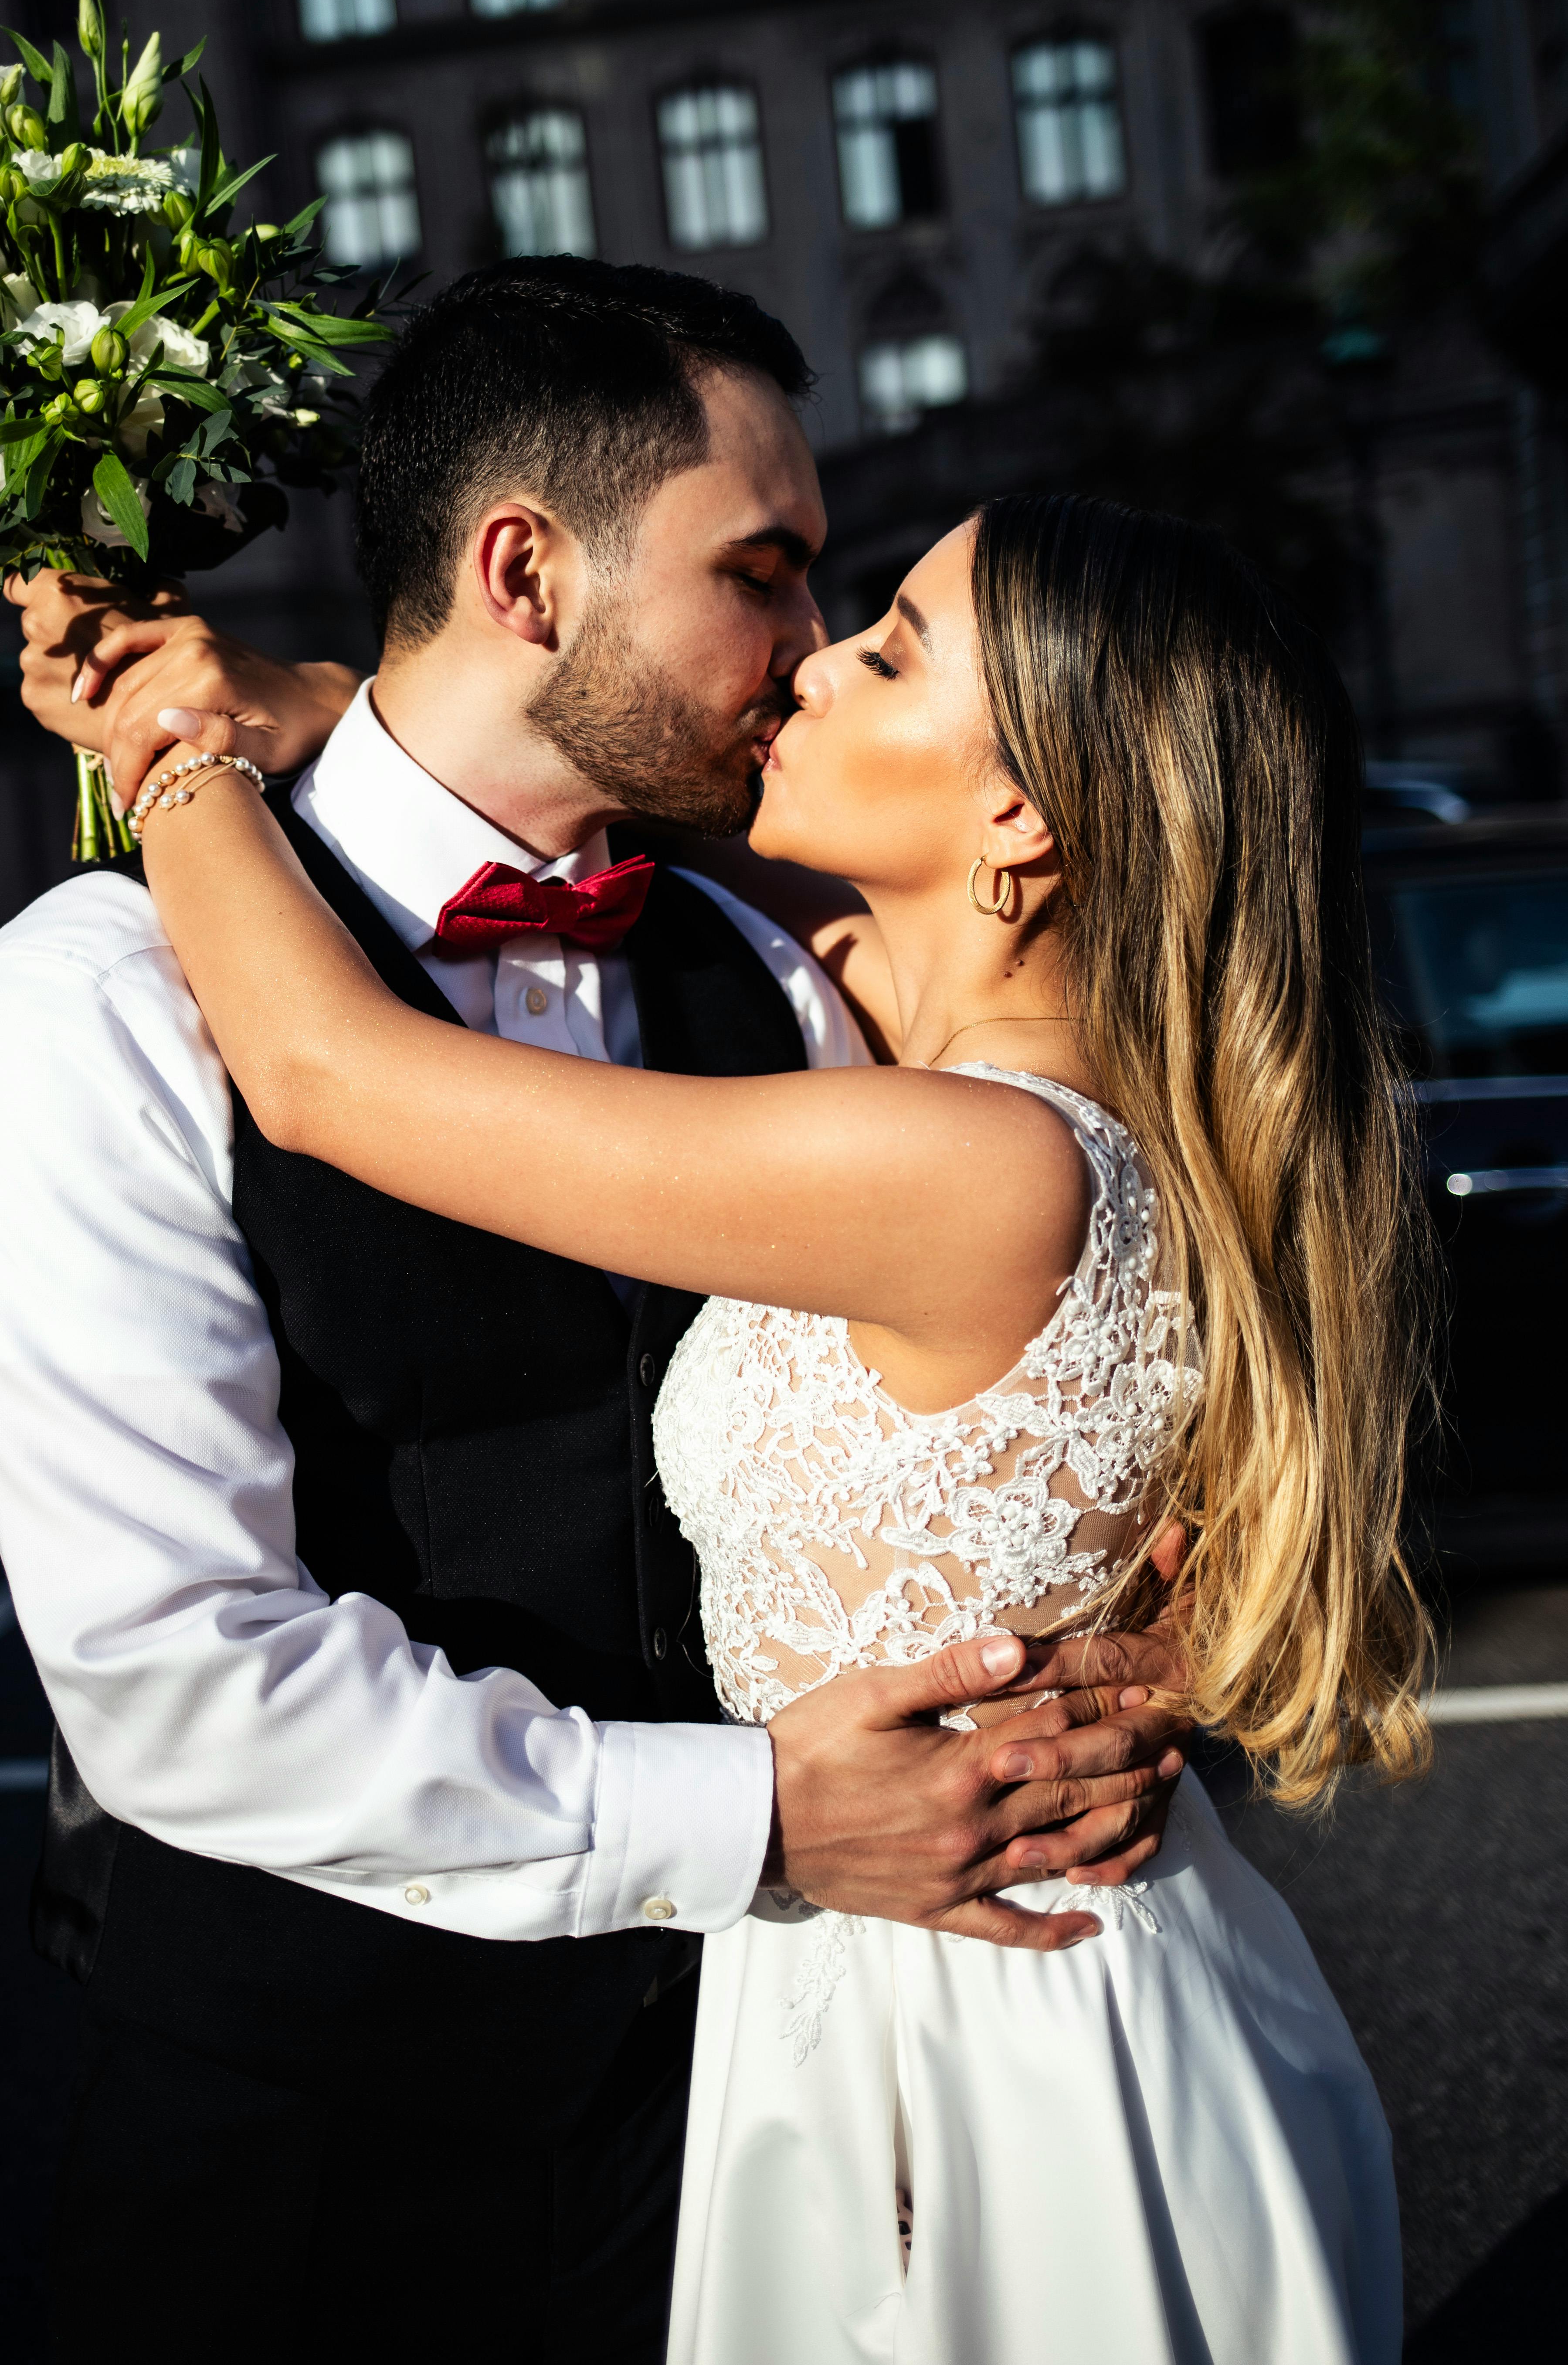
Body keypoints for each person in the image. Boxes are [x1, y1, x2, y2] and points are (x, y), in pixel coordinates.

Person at [0, 260, 1189, 2365]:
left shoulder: (775, 971)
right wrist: (754, 1817)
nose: (803, 653)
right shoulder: (100, 1004)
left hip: (774, 2098)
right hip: (326, 2146)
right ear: (526, 570)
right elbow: (177, 1677)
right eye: (767, 575)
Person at [92, 485, 1433, 2365]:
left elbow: (325, 1074)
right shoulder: (981, 1041)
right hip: (967, 1964)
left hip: (973, 2046)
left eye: (889, 651)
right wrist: (342, 707)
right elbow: (669, 826)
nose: (810, 662)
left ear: (1020, 816)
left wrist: (175, 750)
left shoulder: (969, 1162)